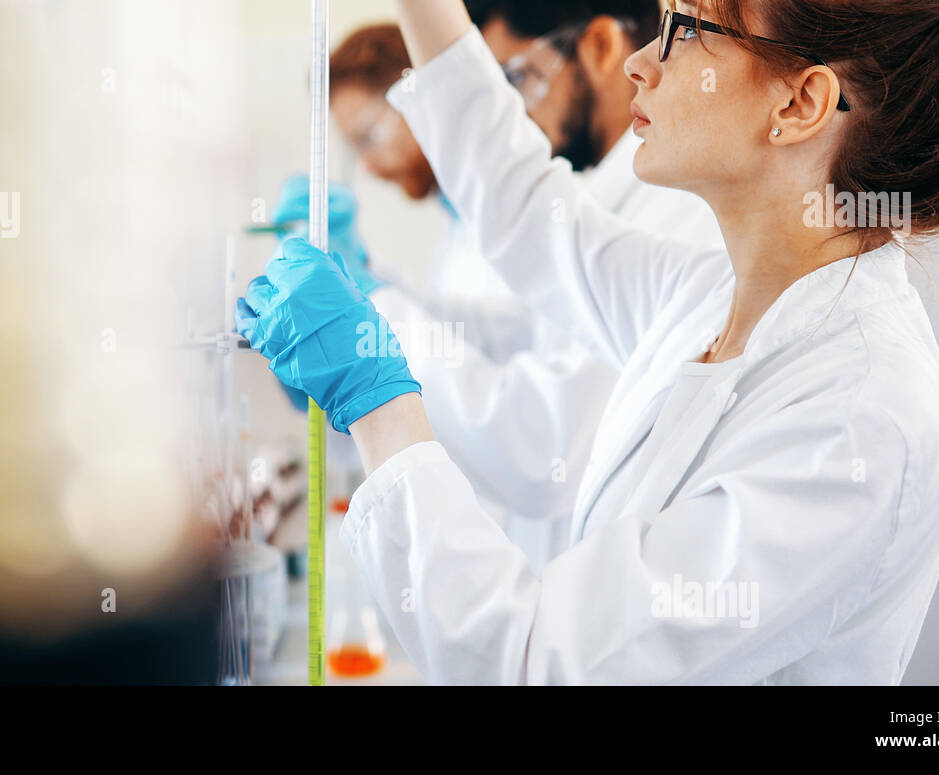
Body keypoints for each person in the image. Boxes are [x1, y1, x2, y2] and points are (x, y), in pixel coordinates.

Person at [239, 0, 939, 684]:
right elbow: (525, 209)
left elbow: (536, 661)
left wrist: (376, 400)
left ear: (800, 105)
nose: (640, 62)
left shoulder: (863, 420)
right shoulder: (708, 295)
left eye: (688, 29)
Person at [272, 4, 724, 571]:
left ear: (604, 48)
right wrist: (365, 291)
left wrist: (371, 328)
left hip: (595, 589)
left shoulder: (669, 208)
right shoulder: (601, 195)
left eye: (516, 79)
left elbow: (543, 446)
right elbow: (516, 328)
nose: (512, 113)